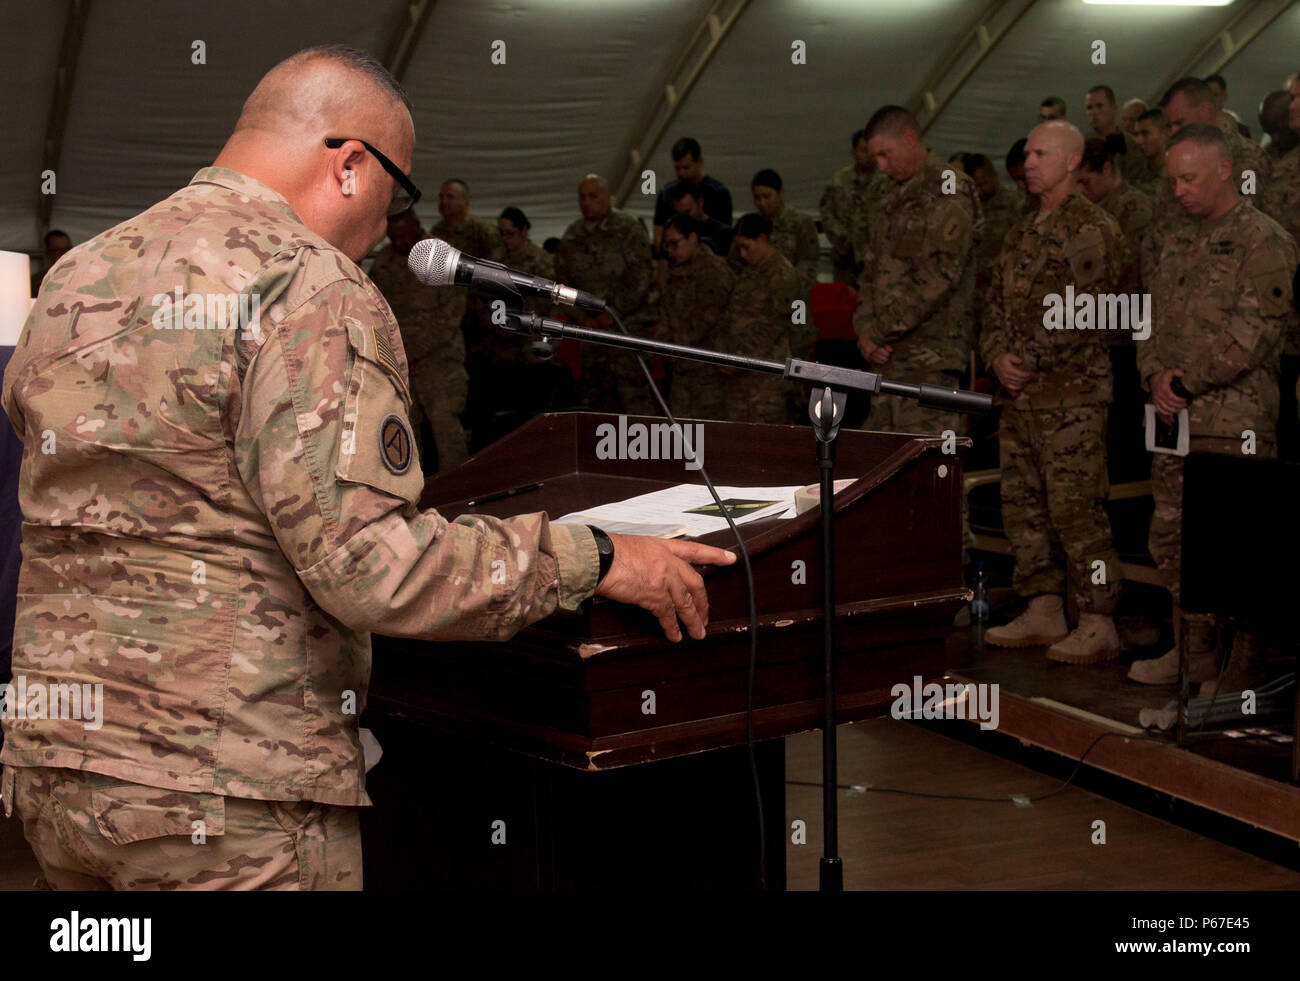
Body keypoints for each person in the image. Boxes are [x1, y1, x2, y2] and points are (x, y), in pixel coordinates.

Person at [0, 44, 735, 891]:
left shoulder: (77, 276)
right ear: (350, 163)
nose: (395, 224)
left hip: (60, 772)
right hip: (223, 793)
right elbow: (369, 567)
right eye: (401, 190)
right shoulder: (310, 287)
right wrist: (598, 557)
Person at [1128, 124, 1297, 693]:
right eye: (1173, 179)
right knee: (1174, 538)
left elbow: (1257, 331)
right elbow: (1146, 315)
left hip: (1233, 417)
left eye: (1189, 178)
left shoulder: (1263, 240)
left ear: (1225, 170)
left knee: (1236, 544)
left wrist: (1185, 378)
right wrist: (1154, 374)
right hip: (1174, 415)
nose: (1179, 190)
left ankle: (1243, 665)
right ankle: (1194, 653)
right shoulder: (1174, 238)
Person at [979, 121, 1126, 664]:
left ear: (1071, 162)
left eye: (1041, 153)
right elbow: (991, 304)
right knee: (1024, 506)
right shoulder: (1020, 230)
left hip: (1072, 399)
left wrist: (1028, 361)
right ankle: (1043, 607)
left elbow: (1088, 309)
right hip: (1021, 399)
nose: (1030, 161)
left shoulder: (1093, 228)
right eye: (1028, 152)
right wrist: (998, 357)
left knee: (1078, 511)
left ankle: (1098, 617)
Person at [854, 105, 978, 439]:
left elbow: (939, 277)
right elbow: (870, 269)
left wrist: (880, 332)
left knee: (930, 468)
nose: (880, 166)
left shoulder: (949, 189)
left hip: (930, 362)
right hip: (886, 361)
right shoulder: (886, 194)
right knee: (879, 462)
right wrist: (865, 331)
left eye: (885, 154)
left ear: (909, 138)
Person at [368, 208, 468, 472]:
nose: (399, 242)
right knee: (404, 436)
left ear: (416, 227)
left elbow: (451, 315)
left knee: (447, 432)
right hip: (400, 364)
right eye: (394, 237)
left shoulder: (440, 255)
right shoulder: (383, 262)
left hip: (440, 363)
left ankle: (458, 492)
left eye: (404, 236)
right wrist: (398, 353)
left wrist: (415, 351)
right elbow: (374, 310)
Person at [555, 173, 656, 415]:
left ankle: (643, 452)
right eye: (582, 197)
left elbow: (641, 277)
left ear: (608, 197)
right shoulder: (572, 236)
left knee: (635, 403)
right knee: (597, 405)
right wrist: (582, 318)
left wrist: (612, 312)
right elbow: (561, 285)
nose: (587, 202)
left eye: (593, 196)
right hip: (592, 334)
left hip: (625, 329)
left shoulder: (629, 228)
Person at [720, 214, 804, 423]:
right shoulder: (748, 271)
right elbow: (731, 314)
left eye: (746, 247)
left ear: (762, 238)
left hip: (766, 378)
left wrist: (739, 359)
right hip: (739, 375)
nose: (742, 254)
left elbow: (772, 327)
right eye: (739, 248)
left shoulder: (782, 274)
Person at [658, 213, 734, 419]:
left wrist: (677, 343)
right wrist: (664, 340)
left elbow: (710, 317)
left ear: (692, 237)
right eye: (668, 246)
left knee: (710, 434)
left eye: (675, 244)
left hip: (708, 371)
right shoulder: (677, 270)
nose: (671, 251)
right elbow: (666, 308)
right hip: (681, 369)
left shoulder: (714, 271)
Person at [1076, 134, 1154, 295]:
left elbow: (1130, 270)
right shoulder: (1092, 207)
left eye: (1085, 182)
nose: (1080, 190)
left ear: (1107, 169)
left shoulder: (1133, 207)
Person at [730, 169, 819, 303]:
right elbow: (734, 262)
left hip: (793, 296)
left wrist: (792, 289)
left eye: (767, 196)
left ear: (780, 192)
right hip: (756, 297)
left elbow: (808, 264)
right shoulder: (749, 224)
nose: (762, 203)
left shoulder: (800, 223)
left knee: (798, 322)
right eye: (757, 198)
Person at [820, 128, 889, 284]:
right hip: (845, 261)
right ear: (853, 152)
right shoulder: (838, 182)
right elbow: (827, 213)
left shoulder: (888, 181)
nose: (869, 156)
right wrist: (843, 240)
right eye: (864, 151)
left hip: (878, 260)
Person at [652, 137, 732, 253]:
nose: (681, 173)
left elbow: (724, 237)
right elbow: (658, 233)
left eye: (686, 167)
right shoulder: (666, 193)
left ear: (699, 162)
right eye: (677, 168)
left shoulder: (718, 193)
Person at [1085, 85, 1154, 185]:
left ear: (1113, 108)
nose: (1094, 112)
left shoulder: (1131, 146)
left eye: (1099, 106)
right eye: (1089, 108)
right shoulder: (1082, 145)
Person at [668, 182, 733, 257]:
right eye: (679, 214)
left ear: (700, 202)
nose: (684, 218)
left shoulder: (722, 232)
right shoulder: (672, 233)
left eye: (687, 212)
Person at [1132, 108, 1170, 188]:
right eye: (1136, 135)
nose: (1139, 141)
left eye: (1145, 134)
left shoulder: (1175, 172)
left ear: (1165, 133)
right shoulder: (1136, 174)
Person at [30, 229, 71, 296]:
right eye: (57, 250)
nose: (63, 254)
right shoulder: (38, 281)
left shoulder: (80, 275)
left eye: (66, 249)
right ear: (47, 252)